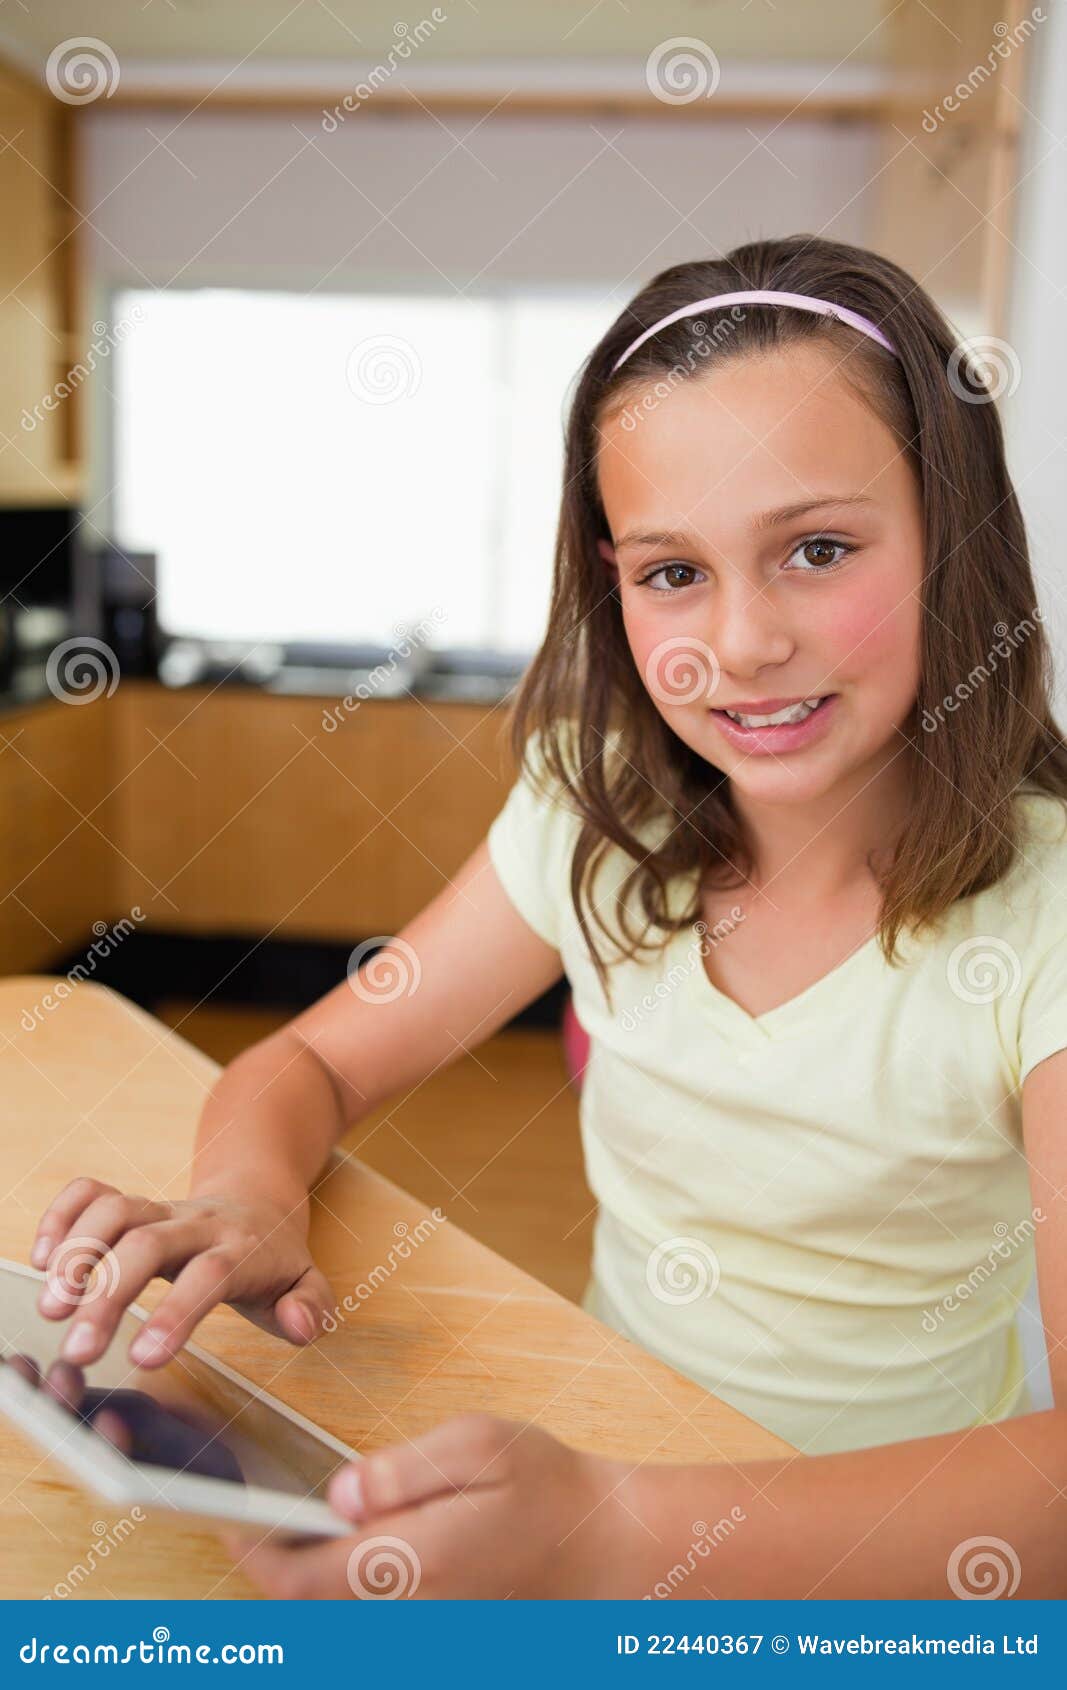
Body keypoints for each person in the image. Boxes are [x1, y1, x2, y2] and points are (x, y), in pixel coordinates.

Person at [29, 236, 1067, 1598]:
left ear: (959, 539)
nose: (740, 641)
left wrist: (607, 1531)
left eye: (817, 548)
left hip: (881, 1567)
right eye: (672, 571)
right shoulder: (595, 811)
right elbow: (321, 1059)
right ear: (610, 575)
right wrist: (246, 1189)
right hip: (600, 1453)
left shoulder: (1040, 922)